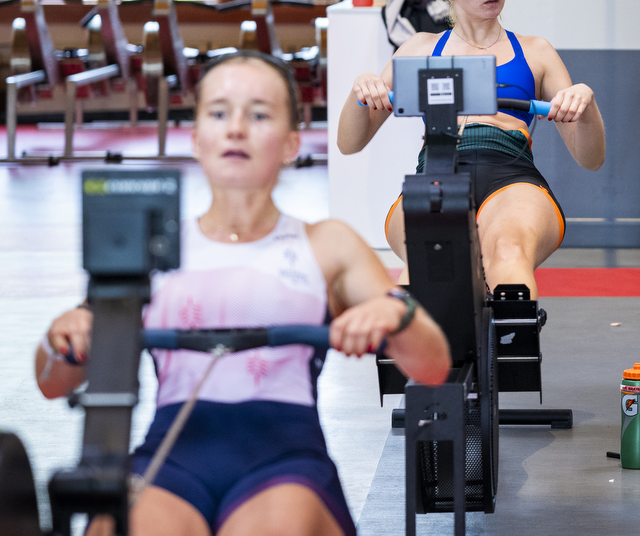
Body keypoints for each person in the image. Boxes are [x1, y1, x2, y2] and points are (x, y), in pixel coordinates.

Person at [36, 51, 452, 536]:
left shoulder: (328, 244)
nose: (236, 129)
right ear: (195, 139)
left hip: (284, 461)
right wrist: (62, 337)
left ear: (292, 142)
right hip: (170, 458)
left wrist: (394, 316)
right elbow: (52, 382)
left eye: (258, 114)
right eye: (218, 113)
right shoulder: (151, 252)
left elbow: (434, 367)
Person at [338, 0, 605, 299]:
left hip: (511, 175)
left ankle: (511, 353)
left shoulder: (536, 52)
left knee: (508, 254)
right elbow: (350, 143)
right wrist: (360, 91)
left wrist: (586, 106)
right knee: (423, 268)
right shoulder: (419, 48)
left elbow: (590, 158)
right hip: (437, 171)